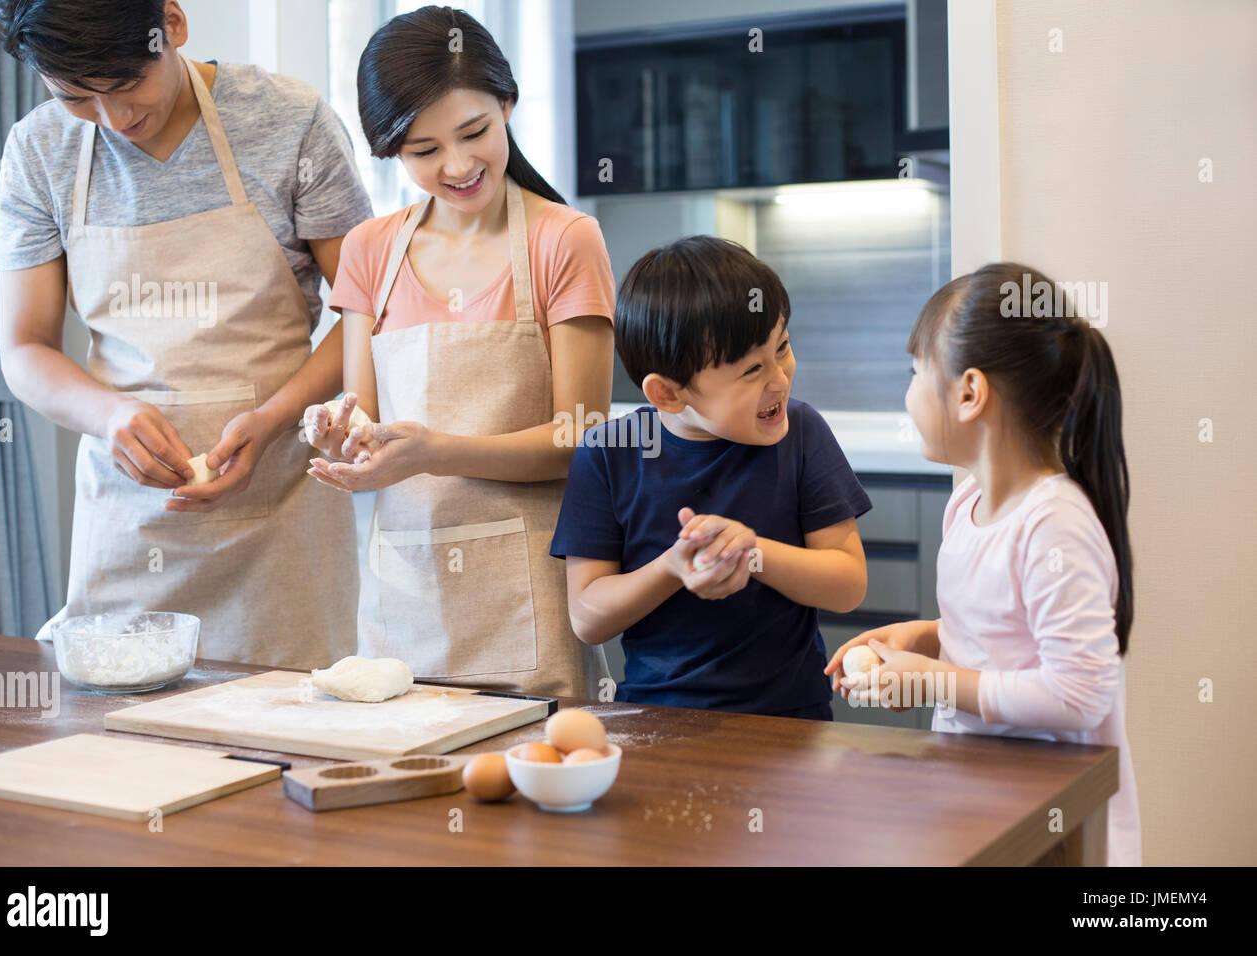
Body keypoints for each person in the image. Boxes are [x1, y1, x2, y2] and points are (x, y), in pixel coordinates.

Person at [0, 0, 372, 668]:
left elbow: (367, 312)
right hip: (130, 524)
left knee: (286, 738)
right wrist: (110, 415)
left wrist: (274, 417)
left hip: (283, 518)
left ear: (171, 23)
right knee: (123, 750)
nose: (115, 119)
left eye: (126, 85)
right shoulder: (39, 151)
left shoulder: (289, 120)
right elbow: (25, 348)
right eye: (77, 98)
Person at [302, 6, 612, 698]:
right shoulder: (369, 251)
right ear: (391, 152)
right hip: (402, 606)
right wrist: (338, 435)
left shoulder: (564, 242)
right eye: (424, 150)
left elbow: (581, 440)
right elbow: (366, 428)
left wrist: (436, 450)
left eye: (475, 132)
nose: (459, 164)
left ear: (508, 103)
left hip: (526, 604)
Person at [826, 262, 1141, 865]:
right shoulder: (967, 502)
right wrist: (929, 640)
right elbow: (1006, 632)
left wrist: (931, 681)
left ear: (969, 393)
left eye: (917, 373)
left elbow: (1080, 694)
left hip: (1051, 815)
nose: (909, 393)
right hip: (980, 789)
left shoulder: (1053, 523)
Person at [549, 236, 872, 718]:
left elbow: (847, 584)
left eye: (782, 347)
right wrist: (672, 568)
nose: (780, 380)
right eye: (751, 370)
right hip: (660, 718)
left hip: (793, 719)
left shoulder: (802, 433)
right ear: (669, 394)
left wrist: (751, 552)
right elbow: (588, 617)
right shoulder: (607, 454)